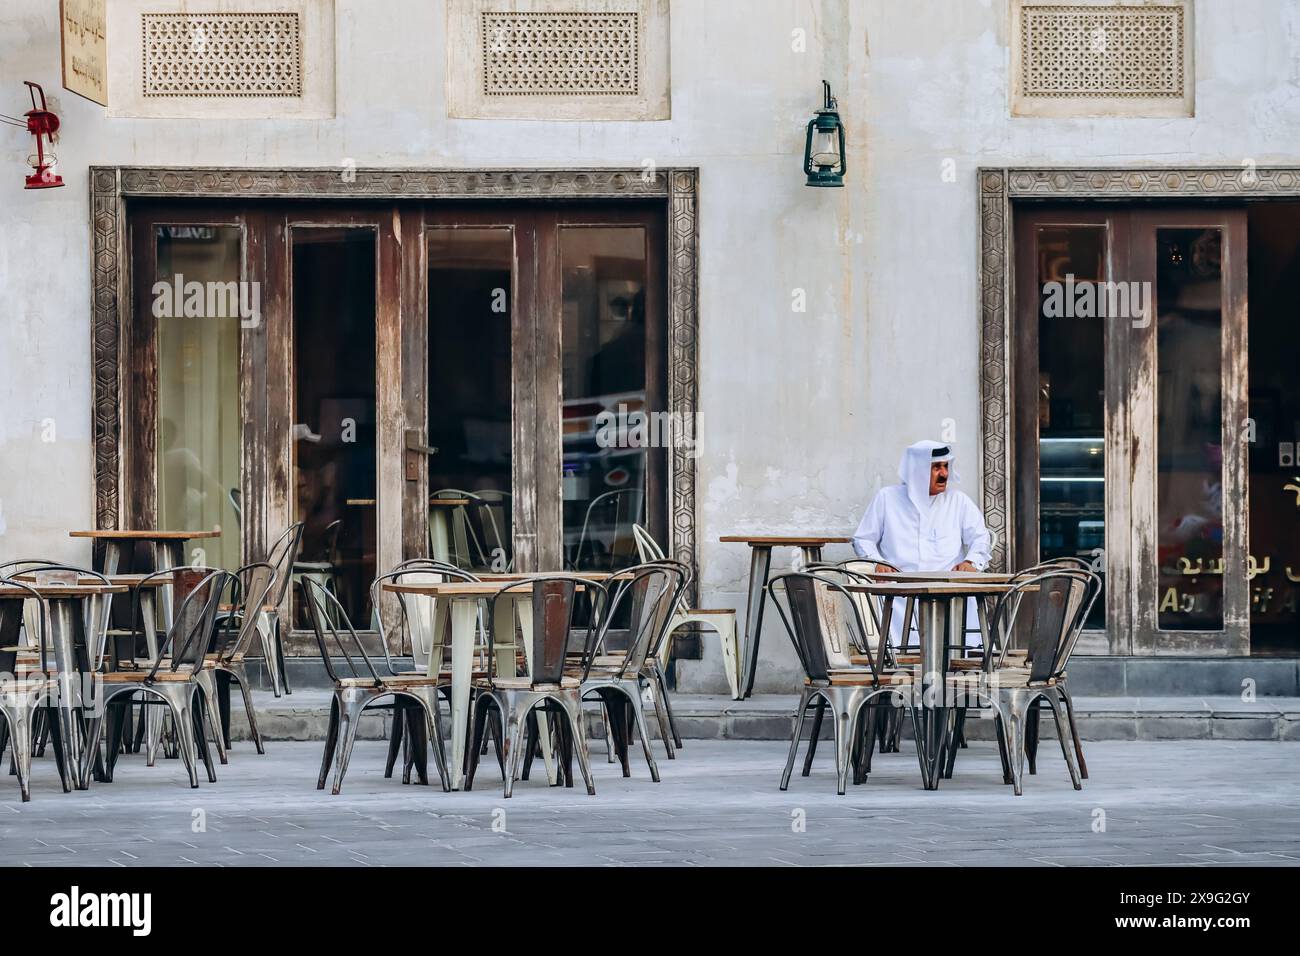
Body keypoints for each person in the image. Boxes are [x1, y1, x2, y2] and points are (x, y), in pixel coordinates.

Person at [851, 440, 991, 645]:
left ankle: (960, 663)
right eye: (936, 467)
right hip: (899, 591)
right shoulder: (887, 498)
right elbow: (863, 539)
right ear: (917, 470)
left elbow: (981, 537)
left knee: (965, 608)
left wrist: (971, 562)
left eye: (945, 466)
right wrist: (876, 562)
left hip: (949, 590)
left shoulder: (958, 501)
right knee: (897, 639)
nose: (944, 474)